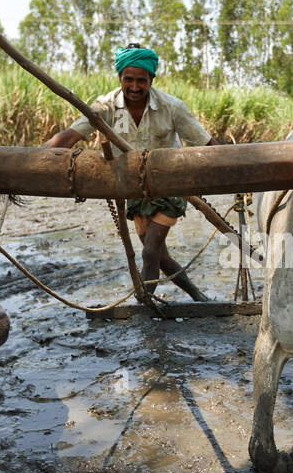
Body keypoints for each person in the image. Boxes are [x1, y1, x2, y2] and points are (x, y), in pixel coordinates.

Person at [45, 44, 216, 301]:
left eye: (141, 81)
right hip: (133, 190)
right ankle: (198, 296)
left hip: (169, 187)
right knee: (159, 255)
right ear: (120, 78)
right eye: (129, 80)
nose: (134, 87)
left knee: (149, 253)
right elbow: (70, 135)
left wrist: (235, 169)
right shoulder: (105, 107)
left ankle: (142, 303)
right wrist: (32, 159)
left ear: (151, 80)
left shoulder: (172, 107)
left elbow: (205, 143)